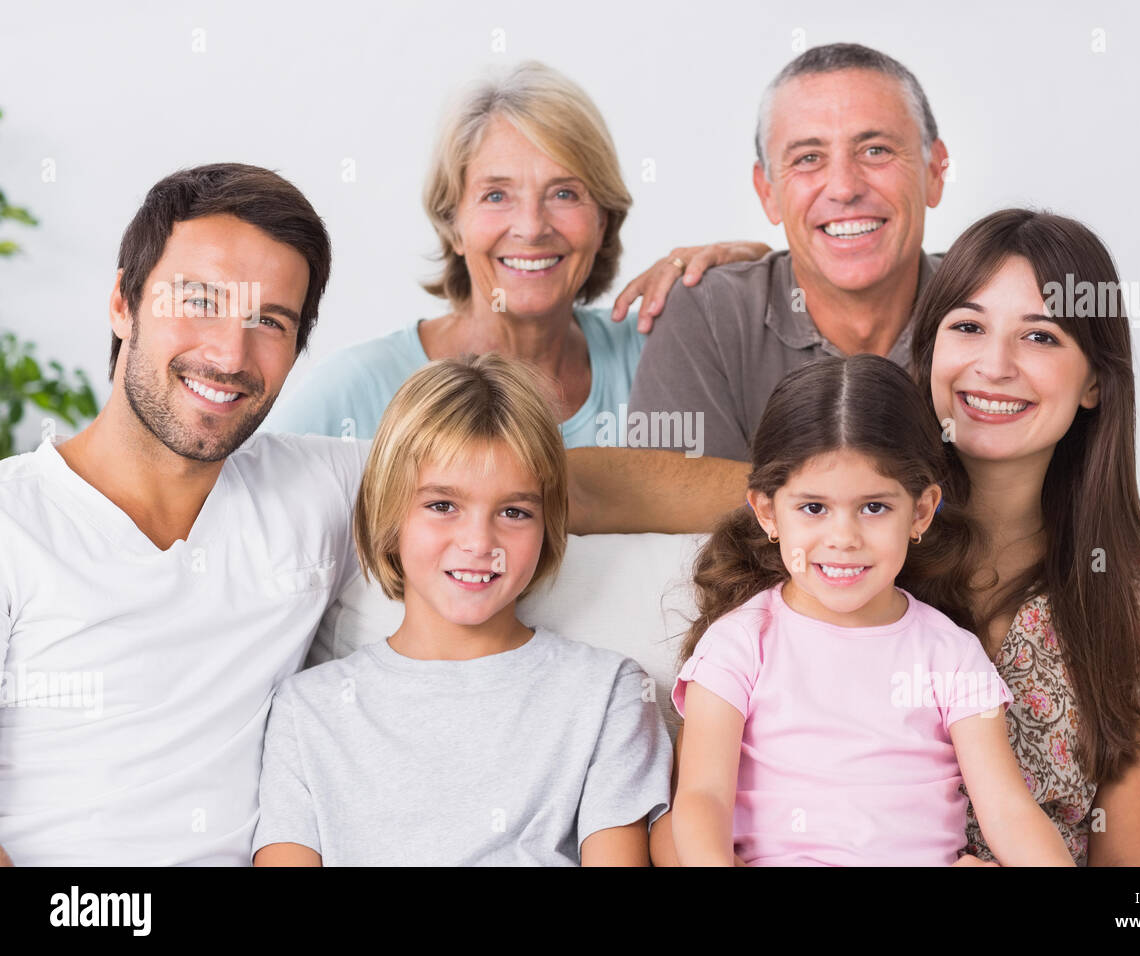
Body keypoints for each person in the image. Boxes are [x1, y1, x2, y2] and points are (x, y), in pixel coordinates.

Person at [0, 163, 366, 865]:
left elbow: (530, 475)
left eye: (269, 321)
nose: (230, 354)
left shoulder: (319, 487)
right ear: (122, 302)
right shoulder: (15, 525)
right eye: (199, 300)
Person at [252, 356, 671, 866]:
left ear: (546, 527)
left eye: (514, 512)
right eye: (443, 505)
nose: (479, 542)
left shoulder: (607, 692)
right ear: (389, 513)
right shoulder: (307, 710)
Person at [669, 354, 1074, 866]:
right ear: (769, 512)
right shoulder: (738, 645)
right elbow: (702, 797)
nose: (844, 539)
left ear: (921, 511)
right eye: (813, 508)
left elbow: (1009, 812)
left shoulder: (950, 654)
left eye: (874, 507)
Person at [896, 208, 1140, 864]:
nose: (995, 365)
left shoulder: (1137, 612)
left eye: (1040, 338)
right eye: (968, 327)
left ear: (1095, 380)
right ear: (929, 353)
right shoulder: (850, 547)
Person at [261, 60, 768, 447]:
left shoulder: (664, 357)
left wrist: (757, 278)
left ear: (603, 220)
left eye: (565, 193)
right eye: (496, 195)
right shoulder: (357, 391)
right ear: (453, 224)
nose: (531, 228)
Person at [567, 42, 949, 528]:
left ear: (935, 172)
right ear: (767, 191)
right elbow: (680, 537)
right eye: (808, 158)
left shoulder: (994, 304)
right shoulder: (705, 314)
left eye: (876, 150)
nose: (844, 186)